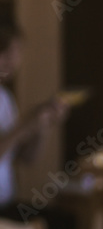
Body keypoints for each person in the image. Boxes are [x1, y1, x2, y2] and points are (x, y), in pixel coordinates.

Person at [0, 21, 69, 217]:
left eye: (16, 52)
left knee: (65, 220)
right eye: (5, 52)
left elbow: (26, 158)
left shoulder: (4, 98)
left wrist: (42, 126)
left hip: (6, 204)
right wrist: (23, 127)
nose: (12, 61)